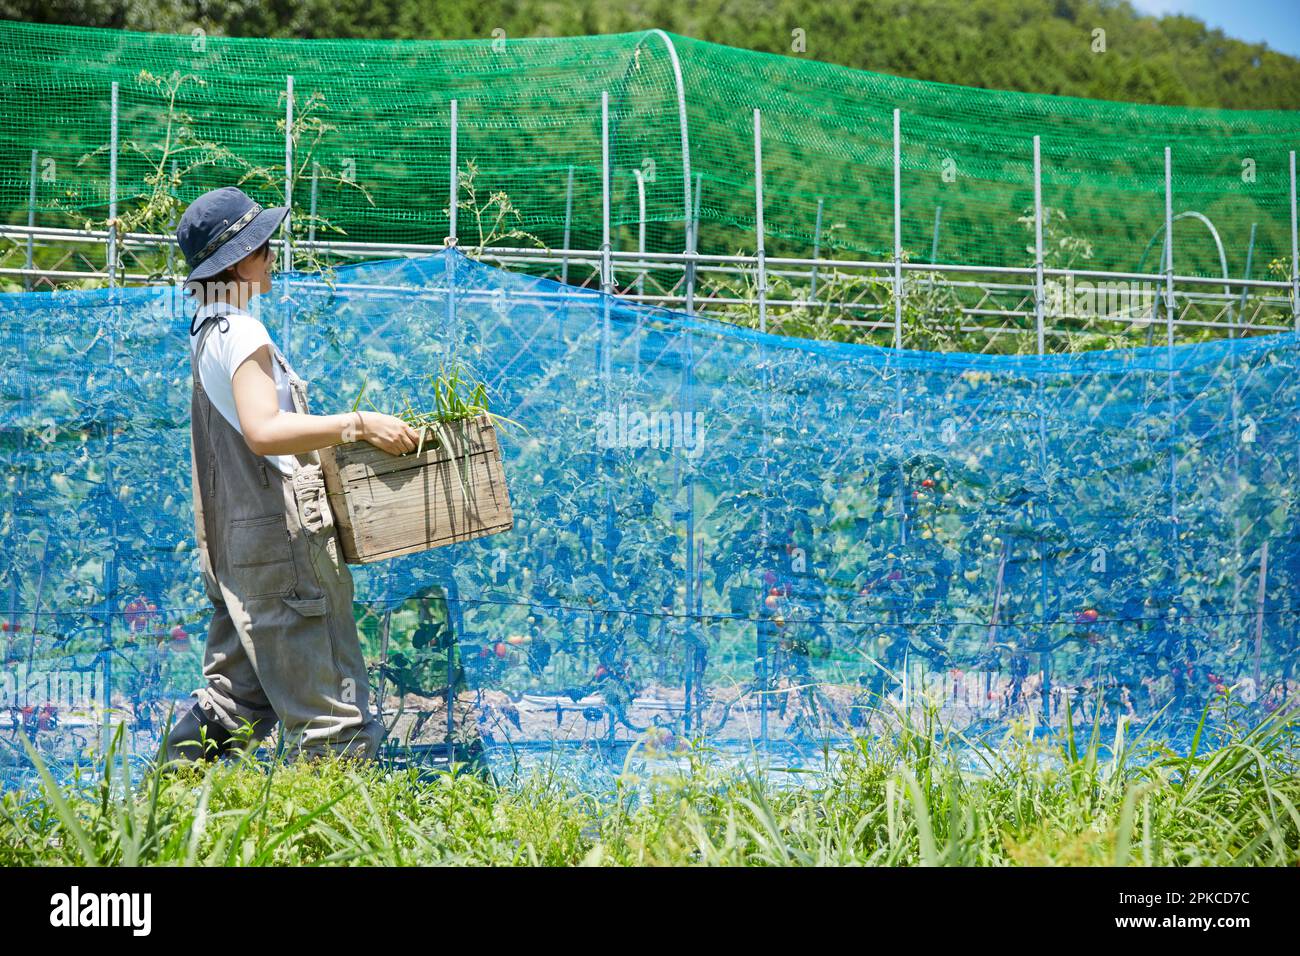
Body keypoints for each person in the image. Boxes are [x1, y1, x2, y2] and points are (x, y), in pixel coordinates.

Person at [161, 186, 420, 766]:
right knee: (334, 712)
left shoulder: (209, 330)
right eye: (264, 247)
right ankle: (340, 845)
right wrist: (359, 424)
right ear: (237, 262)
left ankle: (154, 812)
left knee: (234, 702)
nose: (272, 255)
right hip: (280, 542)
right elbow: (263, 430)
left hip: (237, 545)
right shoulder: (245, 333)